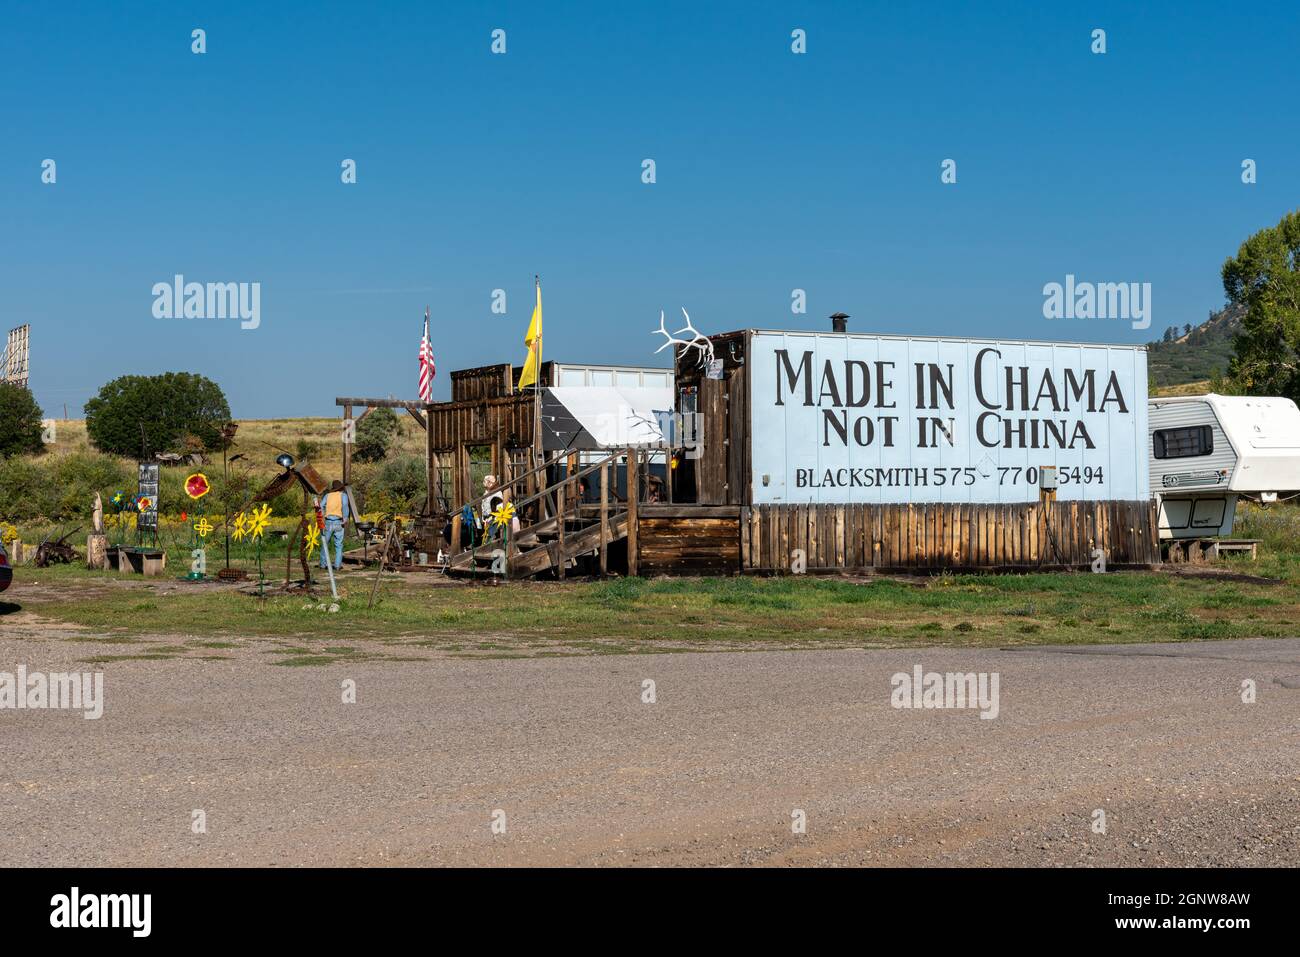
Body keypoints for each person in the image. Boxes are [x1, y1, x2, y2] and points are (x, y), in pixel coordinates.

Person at [318, 480, 349, 571]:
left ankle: (323, 564)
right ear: (341, 488)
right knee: (338, 545)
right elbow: (344, 506)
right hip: (338, 522)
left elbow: (321, 506)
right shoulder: (343, 495)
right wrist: (345, 518)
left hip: (328, 522)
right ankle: (337, 565)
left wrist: (323, 514)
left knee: (325, 543)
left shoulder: (327, 496)